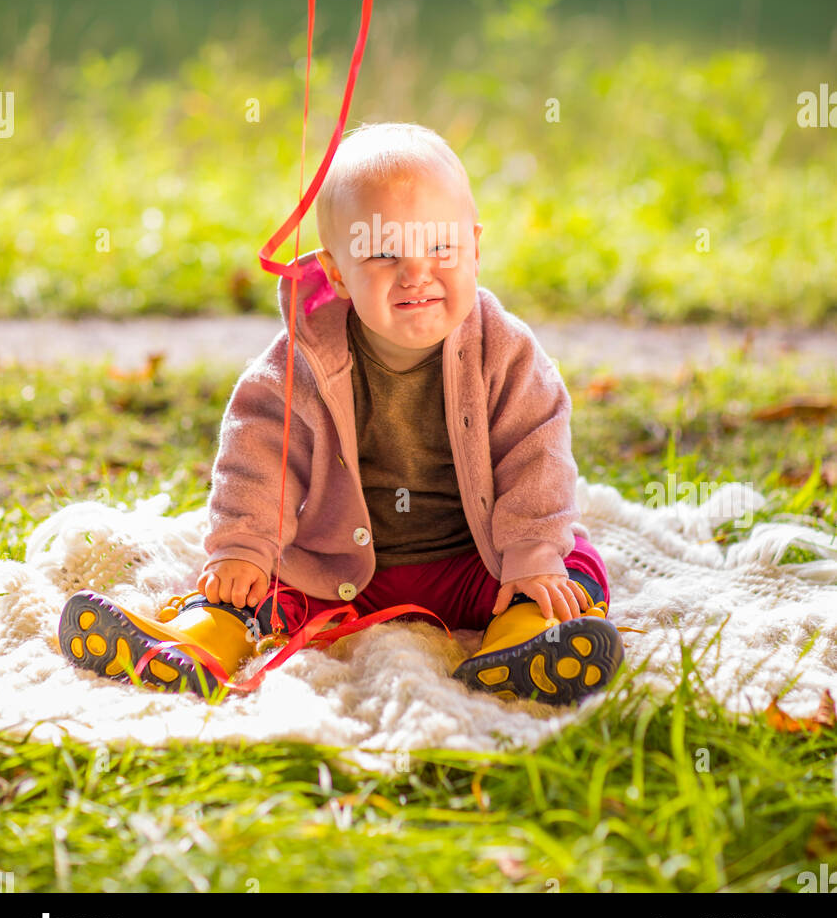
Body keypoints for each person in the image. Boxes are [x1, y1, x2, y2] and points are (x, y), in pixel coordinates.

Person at [59, 122, 624, 705]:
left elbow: (537, 451)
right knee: (257, 584)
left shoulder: (505, 351)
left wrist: (531, 555)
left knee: (569, 561)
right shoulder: (301, 363)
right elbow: (258, 455)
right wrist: (243, 546)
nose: (417, 272)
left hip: (477, 564)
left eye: (441, 247)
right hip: (342, 574)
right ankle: (201, 641)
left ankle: (525, 639)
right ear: (334, 272)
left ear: (475, 248)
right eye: (384, 253)